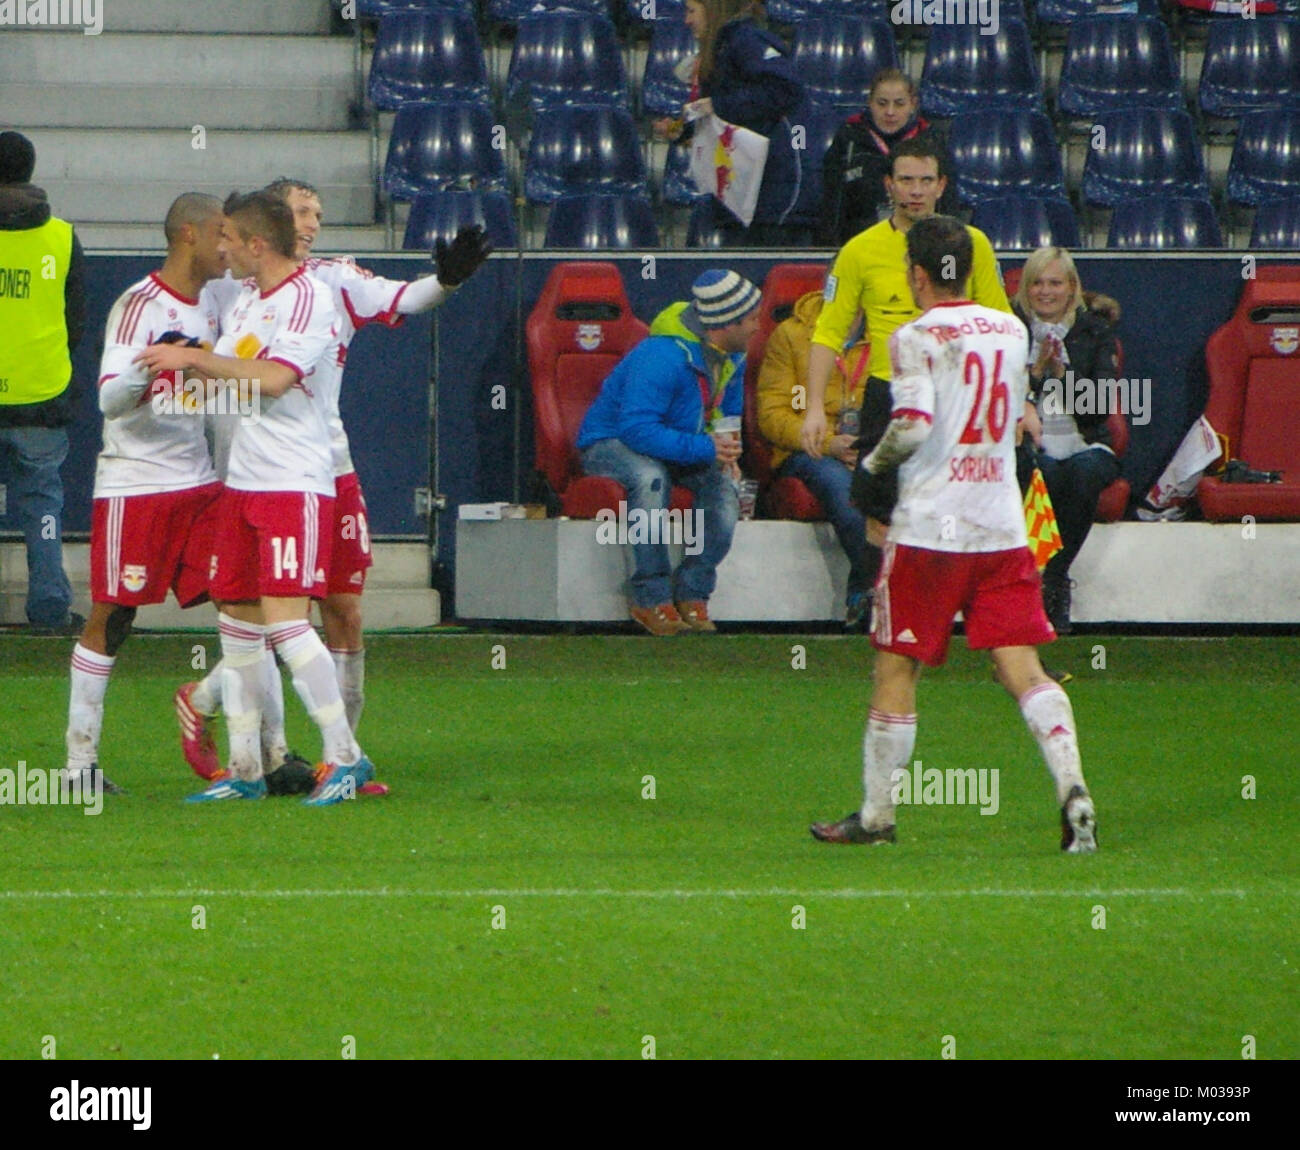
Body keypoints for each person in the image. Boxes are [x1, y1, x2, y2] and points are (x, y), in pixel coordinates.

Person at [172, 178, 490, 783]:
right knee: (261, 612)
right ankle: (266, 752)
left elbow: (407, 297)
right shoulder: (229, 290)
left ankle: (337, 753)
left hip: (317, 466)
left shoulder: (330, 281)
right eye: (299, 212)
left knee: (337, 606)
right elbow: (211, 361)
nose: (311, 223)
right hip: (244, 465)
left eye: (317, 213)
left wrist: (446, 281)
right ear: (268, 228)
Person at [810, 215, 1098, 853]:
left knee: (896, 668)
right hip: (999, 525)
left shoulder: (914, 336)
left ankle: (878, 816)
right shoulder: (1010, 329)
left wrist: (872, 471)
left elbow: (910, 425)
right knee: (1023, 667)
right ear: (969, 270)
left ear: (916, 274)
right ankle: (1073, 789)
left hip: (930, 531)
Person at [136, 191, 369, 805]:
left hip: (292, 483)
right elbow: (243, 393)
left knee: (287, 626)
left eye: (231, 239)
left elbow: (275, 378)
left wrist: (195, 358)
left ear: (256, 244)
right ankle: (244, 771)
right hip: (240, 483)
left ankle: (346, 758)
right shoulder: (244, 302)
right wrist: (177, 391)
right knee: (237, 628)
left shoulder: (309, 297)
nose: (222, 249)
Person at [61, 193, 229, 797]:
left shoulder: (215, 301)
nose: (227, 246)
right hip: (137, 484)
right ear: (188, 234)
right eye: (218, 233)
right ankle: (79, 766)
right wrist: (159, 366)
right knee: (115, 616)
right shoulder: (139, 305)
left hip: (200, 483)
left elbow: (208, 395)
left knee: (250, 603)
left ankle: (254, 746)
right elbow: (108, 398)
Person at [800, 135, 1011, 593]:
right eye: (906, 180)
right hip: (889, 397)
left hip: (957, 397)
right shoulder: (859, 251)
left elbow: (1002, 325)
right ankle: (880, 604)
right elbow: (828, 332)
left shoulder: (971, 245)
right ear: (888, 185)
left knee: (958, 502)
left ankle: (954, 603)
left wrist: (1019, 403)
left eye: (925, 180)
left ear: (942, 186)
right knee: (883, 511)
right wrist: (815, 405)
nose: (916, 190)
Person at [575, 269, 760, 635]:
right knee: (650, 478)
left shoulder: (733, 355)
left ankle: (693, 591)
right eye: (752, 319)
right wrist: (706, 446)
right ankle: (649, 595)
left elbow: (726, 413)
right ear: (726, 322)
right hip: (609, 443)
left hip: (676, 443)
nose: (758, 327)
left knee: (723, 489)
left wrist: (727, 454)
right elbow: (637, 430)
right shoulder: (661, 356)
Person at [1013, 247, 1122, 635]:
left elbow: (1097, 409)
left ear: (1072, 287)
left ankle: (1053, 579)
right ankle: (1032, 587)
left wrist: (1064, 374)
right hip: (1025, 441)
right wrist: (1037, 375)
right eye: (1037, 283)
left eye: (1055, 283)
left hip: (1084, 439)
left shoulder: (1095, 331)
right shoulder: (1009, 327)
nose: (1045, 291)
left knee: (1083, 472)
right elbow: (999, 397)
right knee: (1044, 472)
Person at [0, 130, 85, 633]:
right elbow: (76, 322)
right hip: (42, 395)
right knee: (42, 505)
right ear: (31, 173)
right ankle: (50, 609)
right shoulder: (61, 236)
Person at [756, 287, 872, 627]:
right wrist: (830, 444)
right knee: (850, 499)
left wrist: (871, 446)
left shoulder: (887, 333)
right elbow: (774, 415)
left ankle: (867, 594)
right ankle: (875, 596)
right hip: (807, 450)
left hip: (870, 448)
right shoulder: (791, 336)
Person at [666, 0, 819, 247]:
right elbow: (730, 111)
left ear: (714, 9)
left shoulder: (747, 41)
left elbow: (784, 89)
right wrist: (682, 131)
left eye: (691, 11)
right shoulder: (723, 47)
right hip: (747, 191)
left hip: (778, 193)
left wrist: (717, 104)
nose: (687, 20)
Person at [819, 69, 959, 247]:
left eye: (899, 104)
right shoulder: (848, 140)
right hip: (860, 248)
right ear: (870, 103)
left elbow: (948, 206)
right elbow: (831, 209)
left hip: (923, 248)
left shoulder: (933, 142)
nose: (890, 112)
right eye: (882, 103)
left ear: (913, 104)